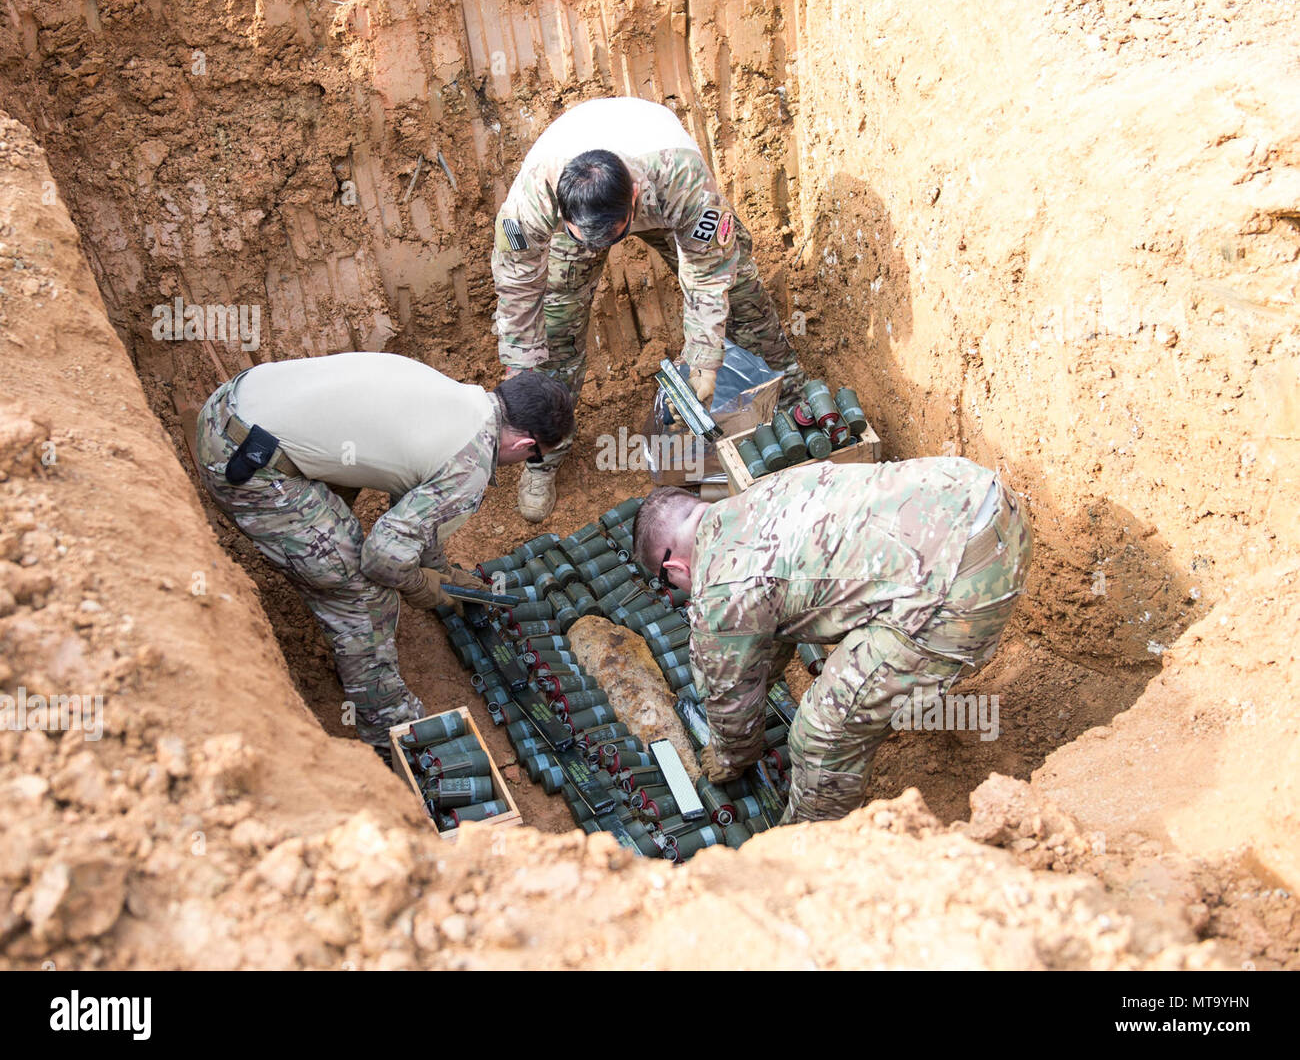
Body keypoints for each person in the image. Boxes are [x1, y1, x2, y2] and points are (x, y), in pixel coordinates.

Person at [194, 352, 574, 756]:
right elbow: (381, 559)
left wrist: (441, 570)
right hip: (243, 464)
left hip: (229, 404)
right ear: (525, 444)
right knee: (364, 594)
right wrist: (421, 585)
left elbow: (415, 501)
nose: (525, 464)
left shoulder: (460, 399)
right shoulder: (472, 463)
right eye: (533, 459)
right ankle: (388, 729)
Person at [631, 459, 1033, 822]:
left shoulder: (722, 588)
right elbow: (768, 635)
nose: (681, 590)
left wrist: (727, 757)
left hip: (962, 581)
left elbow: (730, 699)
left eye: (671, 584)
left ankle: (813, 849)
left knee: (822, 734)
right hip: (983, 497)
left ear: (673, 566)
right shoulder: (759, 496)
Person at [491, 95, 807, 521]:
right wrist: (519, 366)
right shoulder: (534, 199)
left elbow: (709, 272)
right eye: (587, 238)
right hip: (589, 206)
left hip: (661, 194)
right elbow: (517, 284)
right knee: (555, 327)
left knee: (741, 293)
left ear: (635, 196)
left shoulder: (682, 181)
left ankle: (793, 397)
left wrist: (704, 362)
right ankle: (543, 453)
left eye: (610, 236)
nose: (600, 250)